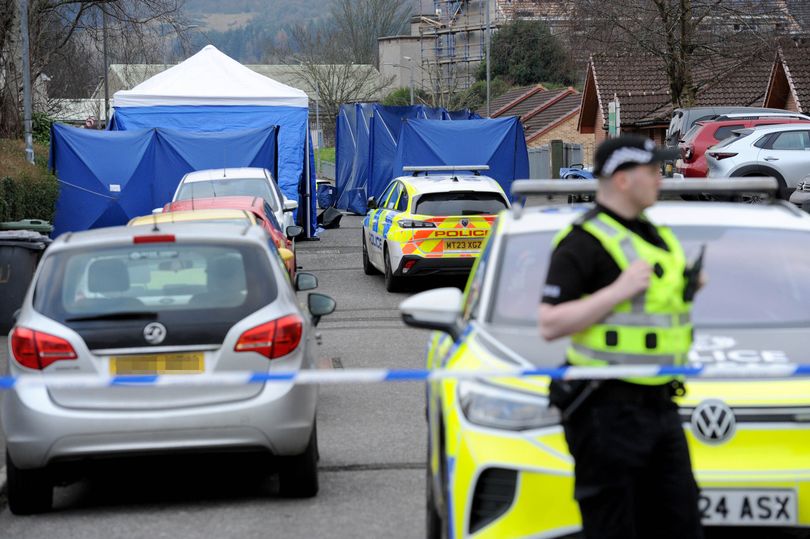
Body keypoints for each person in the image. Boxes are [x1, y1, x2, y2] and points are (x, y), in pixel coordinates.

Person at [539, 135, 704, 539]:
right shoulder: (583, 241)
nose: (660, 180)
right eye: (652, 172)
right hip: (605, 409)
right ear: (624, 180)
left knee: (681, 524)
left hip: (660, 403)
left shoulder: (654, 234)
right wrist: (617, 291)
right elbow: (550, 323)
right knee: (613, 529)